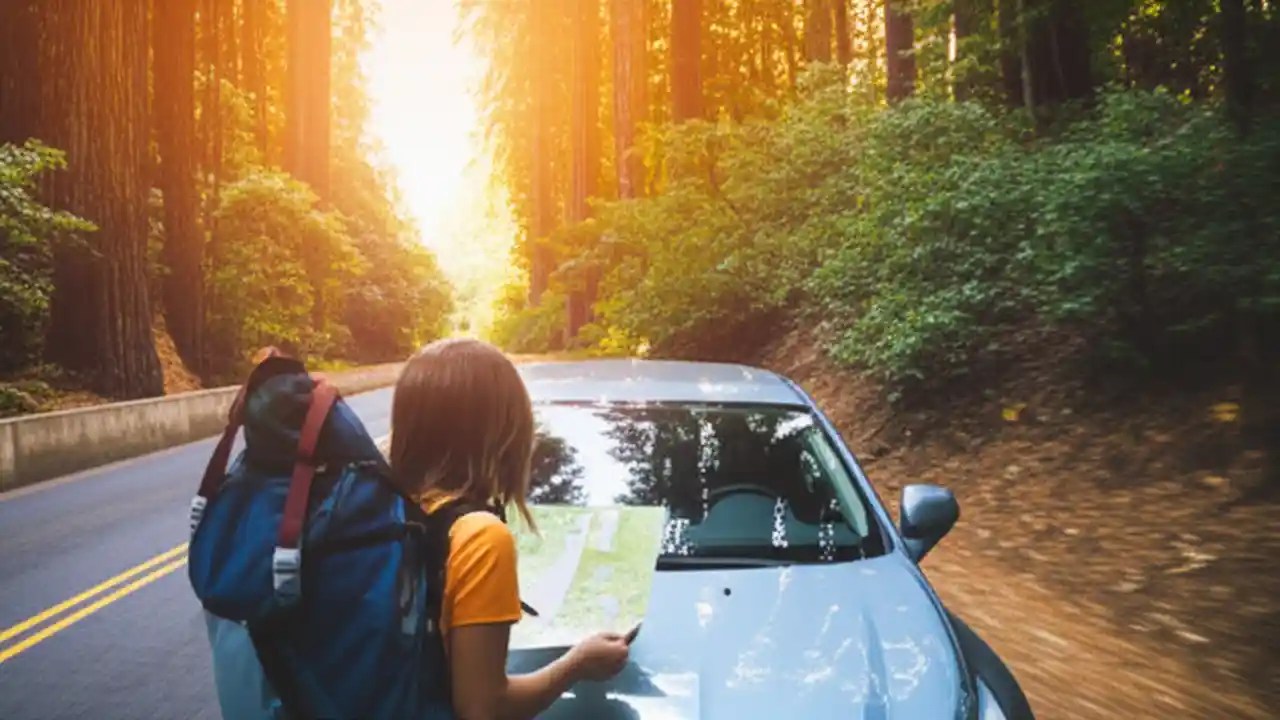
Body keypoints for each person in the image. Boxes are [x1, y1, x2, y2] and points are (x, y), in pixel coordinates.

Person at [389, 338, 630, 719]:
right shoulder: (480, 536)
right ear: (504, 433)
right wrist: (576, 664)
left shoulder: (386, 504)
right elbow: (484, 709)